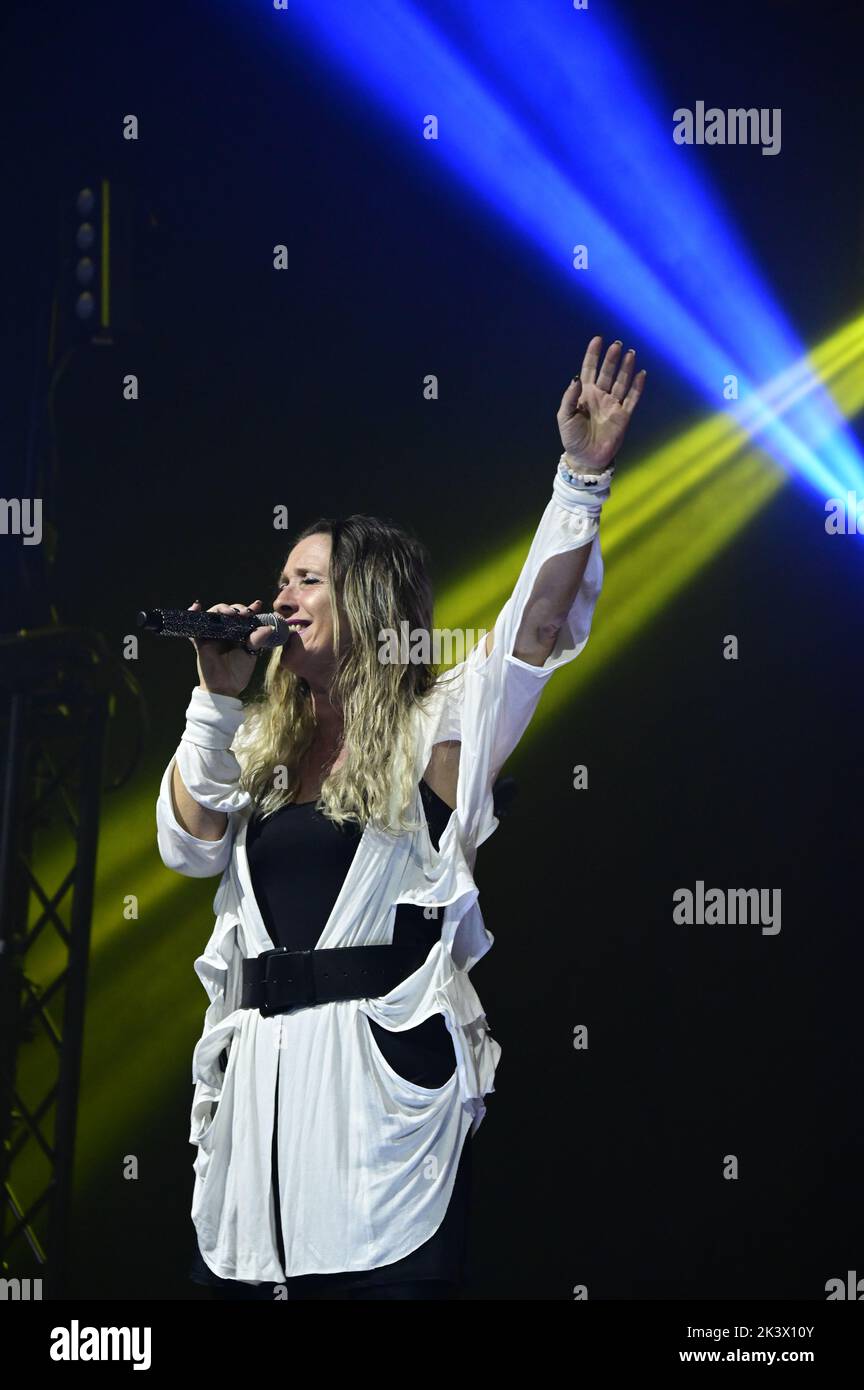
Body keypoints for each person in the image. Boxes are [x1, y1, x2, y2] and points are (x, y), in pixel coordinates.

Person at [156, 337, 646, 1300]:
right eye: (281, 578)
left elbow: (533, 631)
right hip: (261, 1131)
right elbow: (185, 848)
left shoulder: (437, 725)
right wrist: (214, 698)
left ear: (366, 597)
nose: (279, 595)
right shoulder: (259, 744)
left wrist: (580, 480)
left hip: (377, 1121)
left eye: (306, 578)